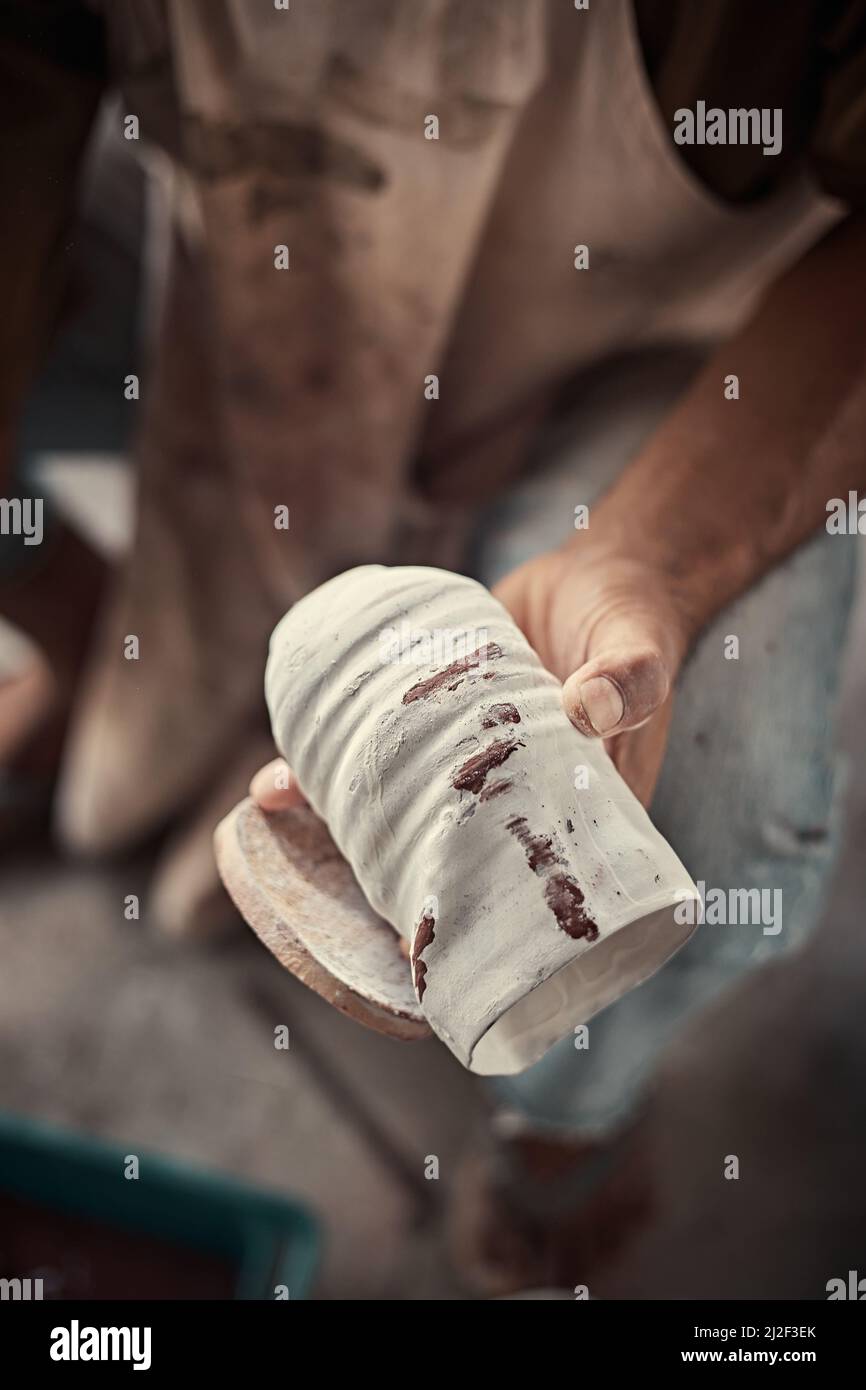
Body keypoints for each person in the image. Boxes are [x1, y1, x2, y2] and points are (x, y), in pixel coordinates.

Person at [2, 0, 865, 1289]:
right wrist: (59, 584)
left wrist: (649, 561)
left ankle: (563, 1121)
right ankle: (90, 643)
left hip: (676, 358)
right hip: (278, 283)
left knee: (717, 794)